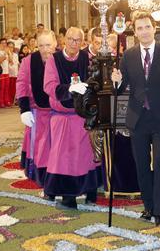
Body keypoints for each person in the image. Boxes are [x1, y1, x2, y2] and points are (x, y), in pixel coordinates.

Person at [111, 12, 160, 227]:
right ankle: (148, 206)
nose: (144, 31)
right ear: (135, 32)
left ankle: (159, 212)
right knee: (142, 165)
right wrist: (116, 81)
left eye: (147, 27)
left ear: (154, 29)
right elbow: (120, 89)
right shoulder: (128, 56)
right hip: (137, 119)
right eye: (140, 28)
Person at [42, 27, 101, 210]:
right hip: (62, 118)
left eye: (77, 40)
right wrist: (69, 89)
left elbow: (95, 82)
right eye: (70, 39)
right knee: (63, 159)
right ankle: (68, 197)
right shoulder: (54, 60)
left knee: (85, 157)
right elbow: (49, 86)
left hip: (82, 117)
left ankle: (90, 192)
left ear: (82, 42)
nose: (73, 43)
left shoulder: (88, 59)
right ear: (63, 40)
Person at [17, 30, 57, 193]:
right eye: (41, 45)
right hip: (37, 111)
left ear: (55, 44)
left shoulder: (61, 58)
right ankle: (41, 175)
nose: (45, 49)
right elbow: (22, 83)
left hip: (58, 111)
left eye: (48, 45)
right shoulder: (28, 61)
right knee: (40, 145)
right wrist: (24, 109)